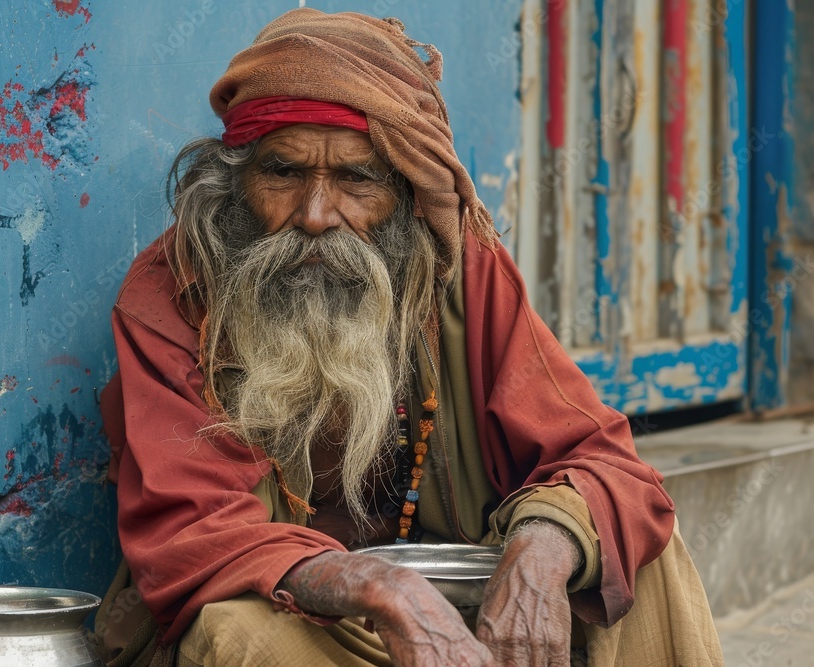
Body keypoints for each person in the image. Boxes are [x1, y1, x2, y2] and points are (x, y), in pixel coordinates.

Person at [95, 8, 722, 666]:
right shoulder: (175, 290)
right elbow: (194, 534)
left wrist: (542, 548)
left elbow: (605, 462)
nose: (314, 216)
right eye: (282, 173)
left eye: (355, 180)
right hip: (291, 607)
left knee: (623, 550)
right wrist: (382, 586)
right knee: (241, 636)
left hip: (455, 605)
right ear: (237, 181)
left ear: (403, 194)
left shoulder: (459, 268)